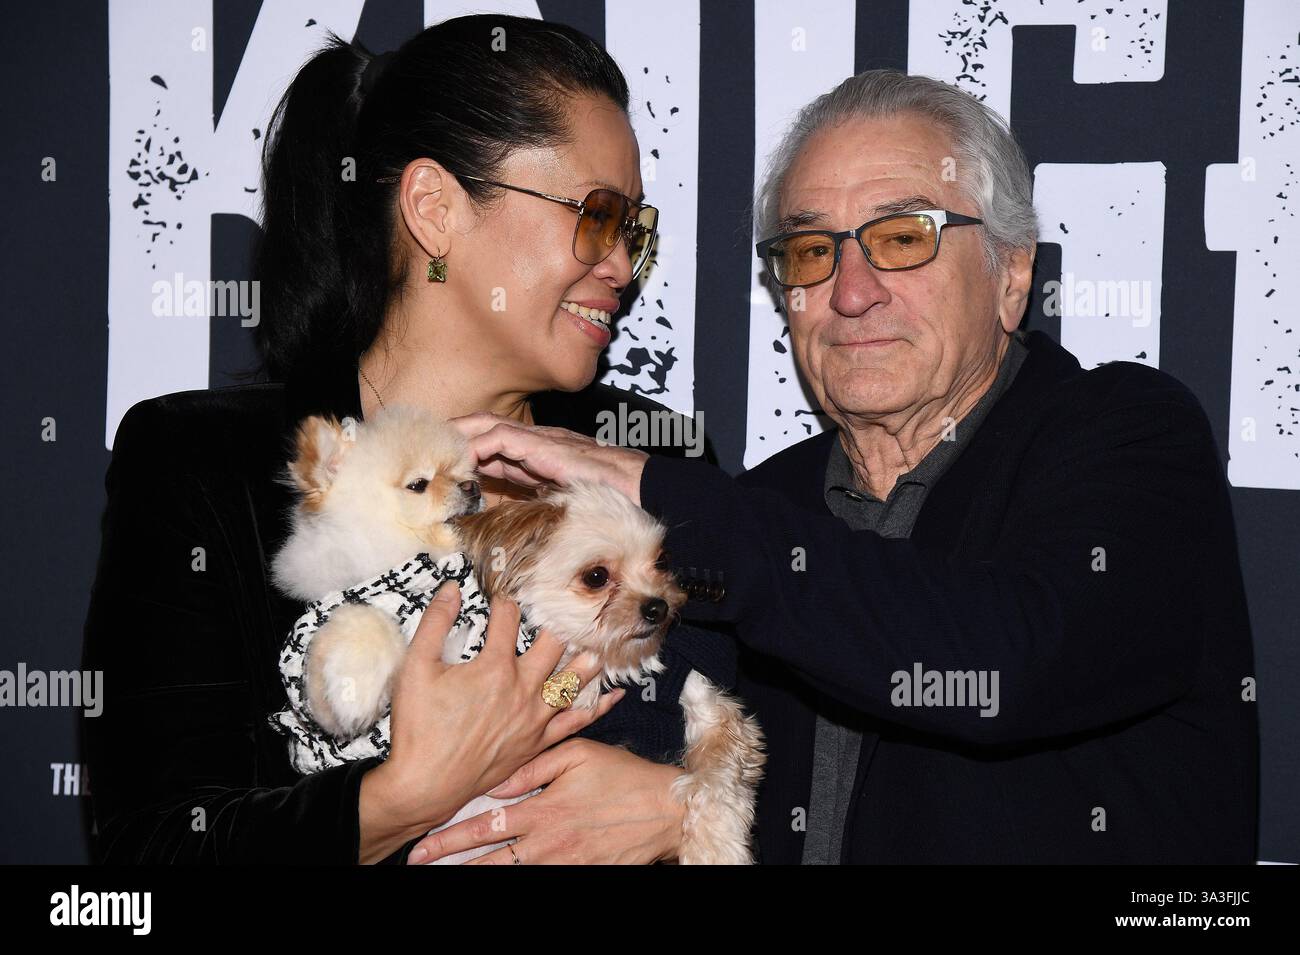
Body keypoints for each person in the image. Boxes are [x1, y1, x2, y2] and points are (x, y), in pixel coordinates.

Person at [432, 70, 1260, 864]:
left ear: (1011, 274)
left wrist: (653, 485)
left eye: (903, 237)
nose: (851, 291)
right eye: (811, 250)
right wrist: (660, 800)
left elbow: (1003, 662)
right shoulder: (762, 504)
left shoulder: (1129, 435)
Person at [81, 14, 732, 865]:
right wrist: (401, 798)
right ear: (433, 210)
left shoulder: (660, 461)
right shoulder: (205, 470)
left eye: (631, 231)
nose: (619, 266)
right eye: (596, 215)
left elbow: (760, 752)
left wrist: (682, 808)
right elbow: (149, 854)